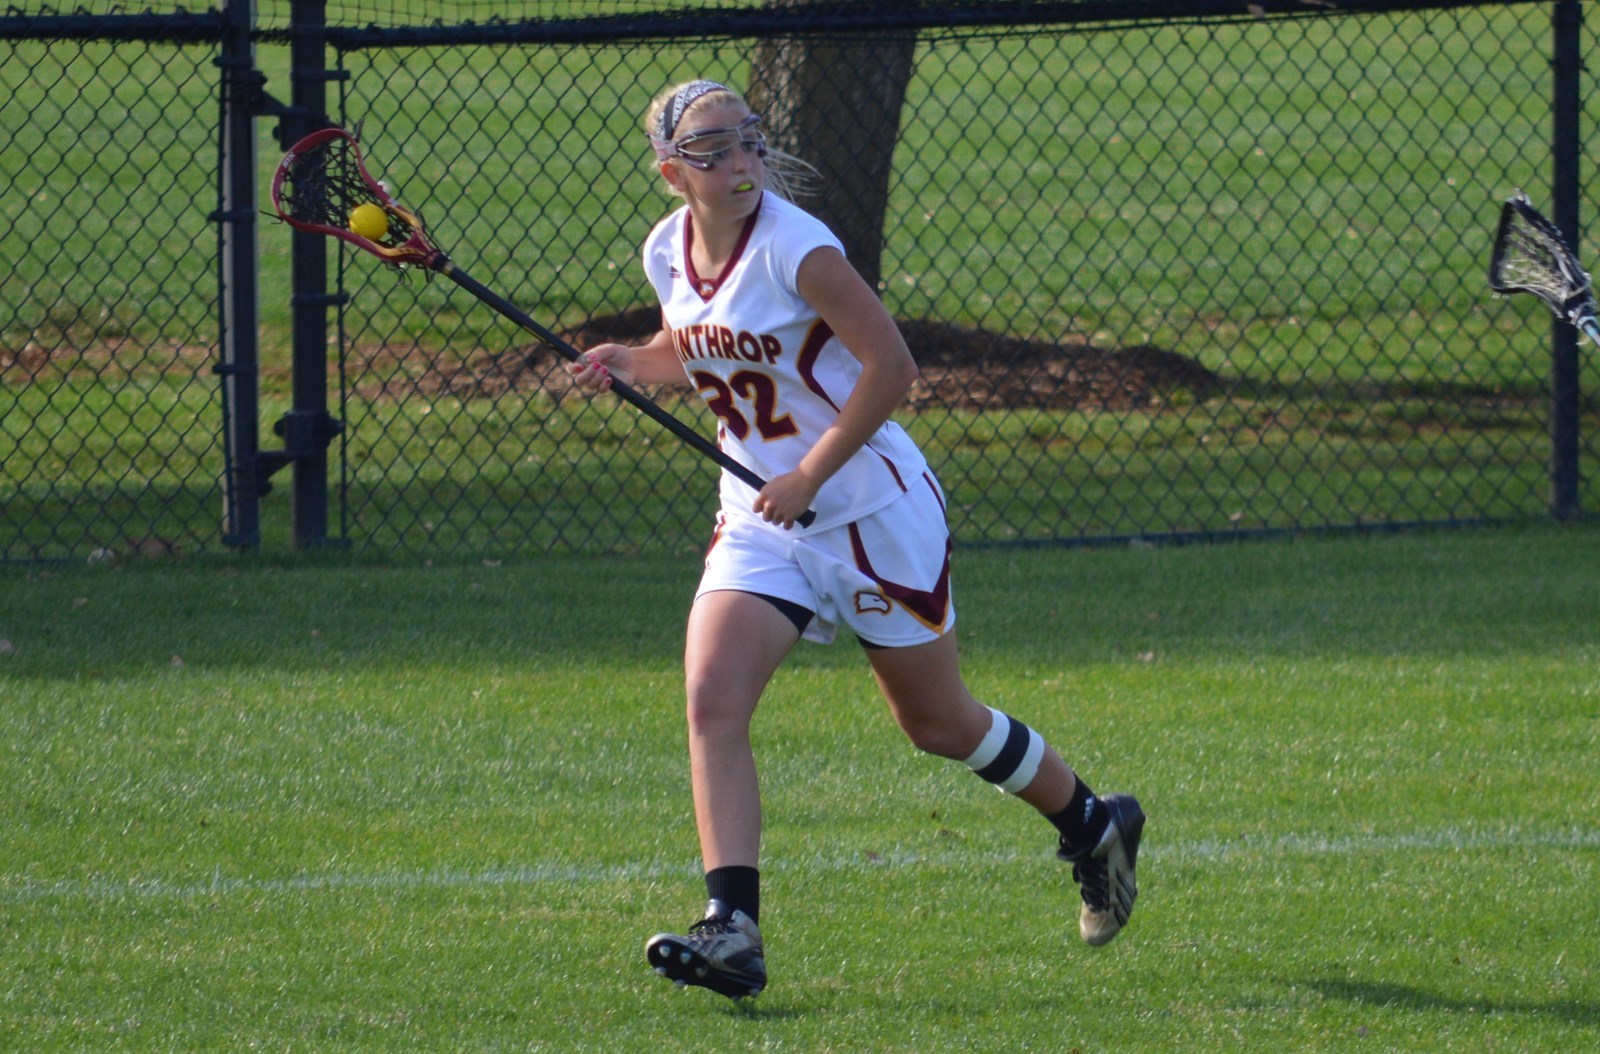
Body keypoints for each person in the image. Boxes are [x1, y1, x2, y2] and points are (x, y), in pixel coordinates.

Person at [568, 79, 1144, 1001]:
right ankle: (733, 930)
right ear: (673, 173)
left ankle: (1090, 821)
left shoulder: (801, 250)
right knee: (712, 699)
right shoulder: (666, 250)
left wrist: (812, 475)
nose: (742, 162)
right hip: (761, 516)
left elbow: (893, 367)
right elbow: (702, 342)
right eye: (713, 151)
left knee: (938, 724)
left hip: (868, 511)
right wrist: (634, 362)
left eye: (749, 141)